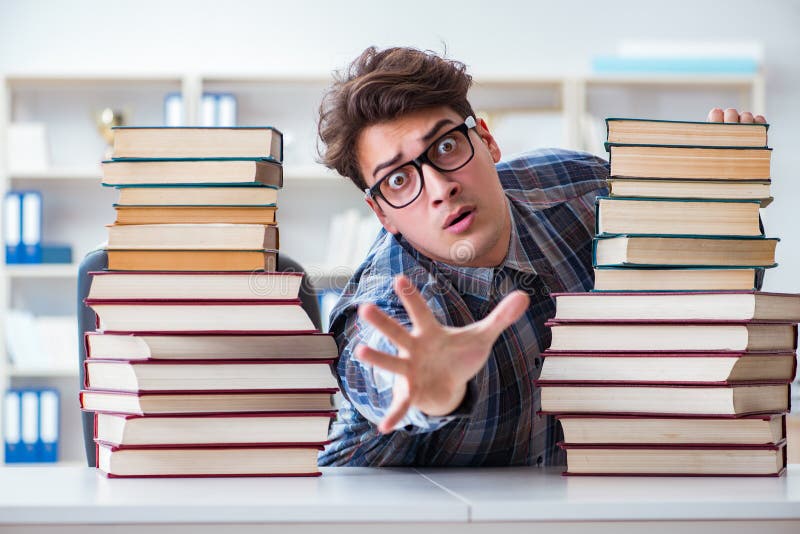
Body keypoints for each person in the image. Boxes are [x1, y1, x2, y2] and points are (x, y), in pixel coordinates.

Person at [315, 45, 767, 467]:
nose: (440, 188)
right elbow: (379, 362)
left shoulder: (583, 190)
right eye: (397, 180)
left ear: (487, 141)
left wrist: (722, 202)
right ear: (381, 215)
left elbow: (718, 281)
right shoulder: (385, 302)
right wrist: (431, 386)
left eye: (447, 146)